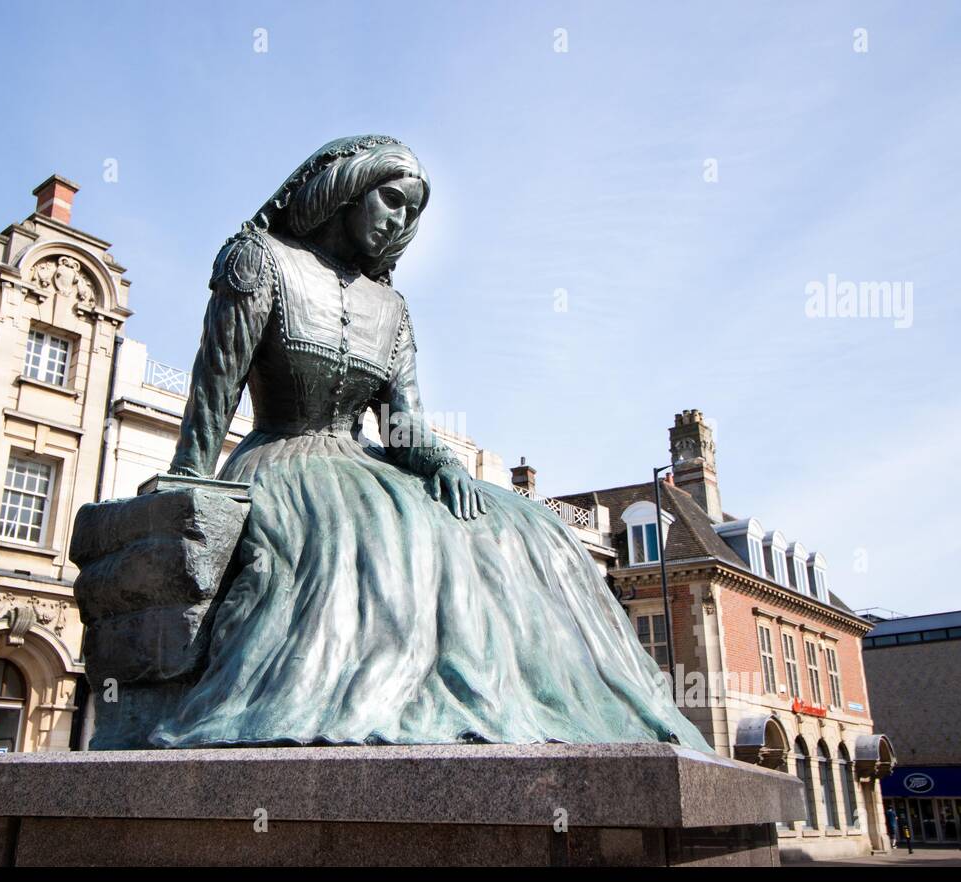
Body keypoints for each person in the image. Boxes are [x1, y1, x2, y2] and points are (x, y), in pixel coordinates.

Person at [154, 135, 709, 749]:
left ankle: (555, 713)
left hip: (362, 462)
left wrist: (442, 463)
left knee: (525, 527)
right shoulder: (259, 261)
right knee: (377, 534)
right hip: (284, 461)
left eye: (411, 212)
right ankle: (350, 702)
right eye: (390, 200)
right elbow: (214, 391)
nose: (399, 221)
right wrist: (187, 492)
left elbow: (403, 423)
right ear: (348, 189)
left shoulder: (391, 306)